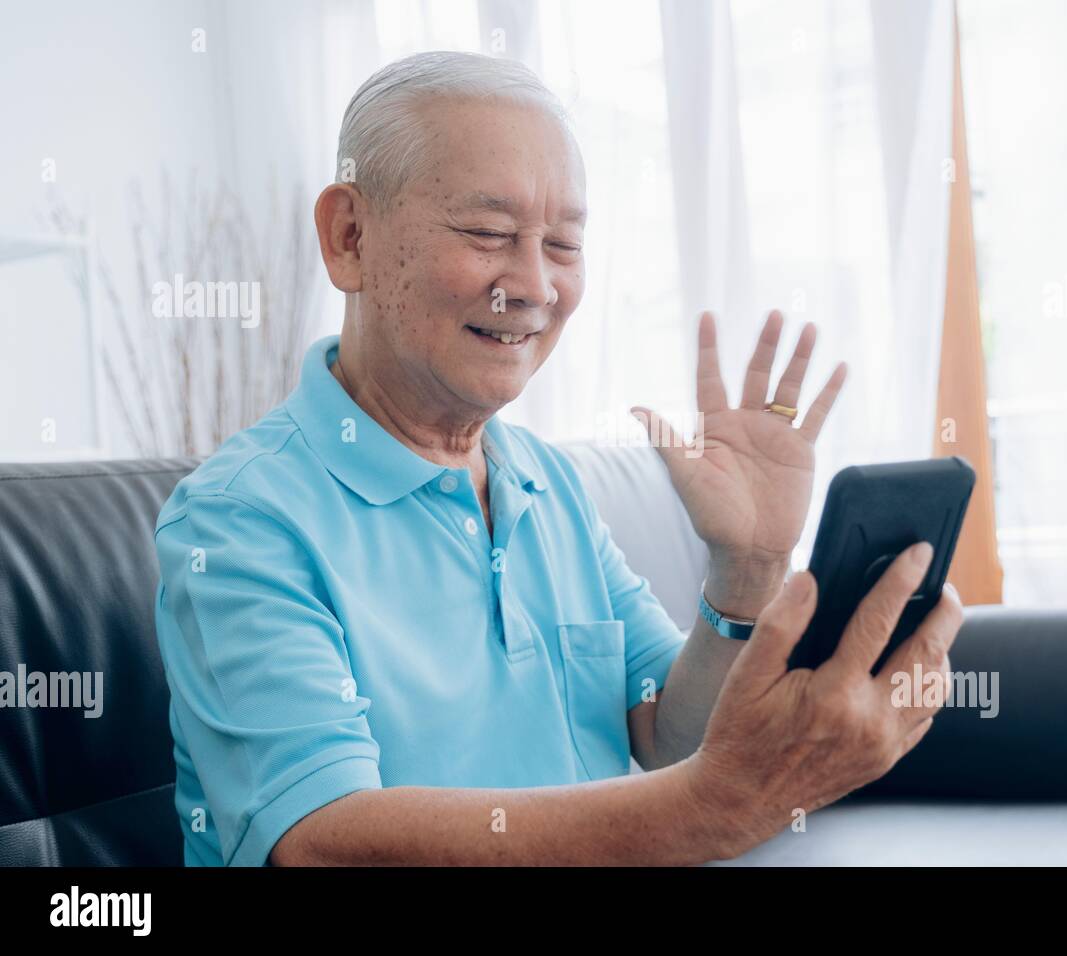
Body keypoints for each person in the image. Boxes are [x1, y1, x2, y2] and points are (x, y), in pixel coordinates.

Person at [152, 50, 963, 866]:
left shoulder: (545, 481)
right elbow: (322, 843)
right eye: (488, 234)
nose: (534, 286)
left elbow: (665, 732)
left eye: (565, 245)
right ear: (350, 237)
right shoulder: (238, 519)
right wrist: (711, 808)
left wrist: (746, 570)